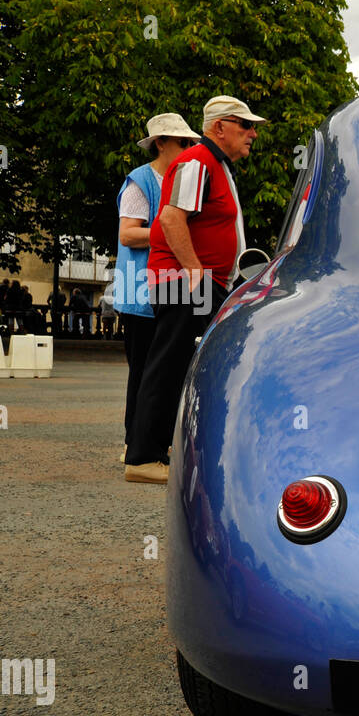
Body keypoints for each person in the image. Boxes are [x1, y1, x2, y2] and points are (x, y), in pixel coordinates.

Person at [124, 95, 265, 483]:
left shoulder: (209, 164)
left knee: (179, 362)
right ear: (219, 127)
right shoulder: (197, 162)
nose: (253, 132)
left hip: (193, 281)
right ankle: (142, 458)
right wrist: (195, 271)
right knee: (168, 365)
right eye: (245, 124)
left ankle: (156, 451)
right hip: (184, 281)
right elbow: (171, 219)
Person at [113, 113, 199, 464]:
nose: (188, 149)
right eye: (182, 142)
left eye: (190, 143)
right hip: (138, 292)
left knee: (163, 371)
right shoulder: (140, 180)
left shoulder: (181, 179)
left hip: (168, 288)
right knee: (144, 373)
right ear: (161, 143)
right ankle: (135, 443)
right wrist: (171, 231)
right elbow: (127, 233)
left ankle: (154, 443)